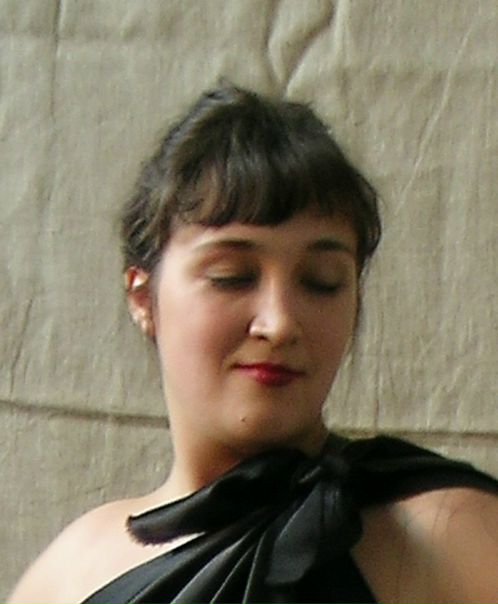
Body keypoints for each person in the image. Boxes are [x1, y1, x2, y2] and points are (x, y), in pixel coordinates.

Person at [8, 85, 498, 604]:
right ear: (142, 296)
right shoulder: (69, 576)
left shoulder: (451, 535)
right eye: (232, 276)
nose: (279, 323)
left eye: (322, 282)